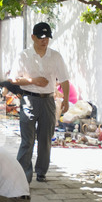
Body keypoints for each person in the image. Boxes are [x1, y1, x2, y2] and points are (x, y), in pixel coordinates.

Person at [9, 22, 70, 183]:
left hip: (48, 100)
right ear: (33, 37)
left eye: (47, 38)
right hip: (29, 99)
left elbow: (64, 79)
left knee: (45, 138)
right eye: (41, 38)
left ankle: (41, 171)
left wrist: (66, 99)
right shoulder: (24, 56)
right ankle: (22, 174)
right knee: (27, 139)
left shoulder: (55, 56)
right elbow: (13, 79)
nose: (45, 41)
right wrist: (33, 80)